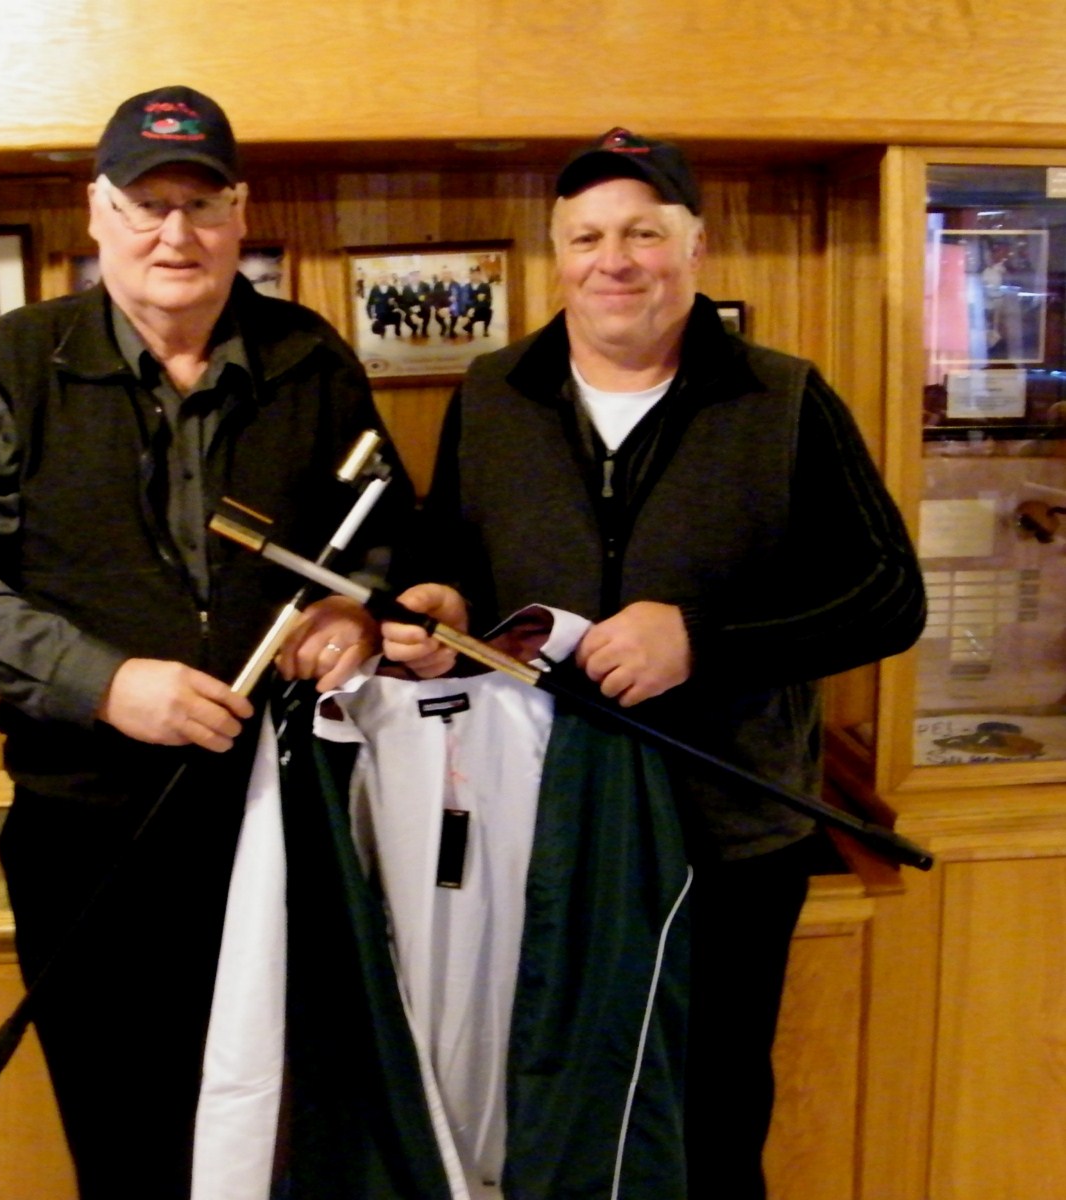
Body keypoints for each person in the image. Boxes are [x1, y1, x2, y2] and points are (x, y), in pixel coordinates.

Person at [0, 84, 408, 1199]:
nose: (175, 232)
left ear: (238, 214)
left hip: (282, 823)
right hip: (89, 834)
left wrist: (352, 613)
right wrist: (105, 683)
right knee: (126, 1139)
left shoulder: (309, 357)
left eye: (200, 203)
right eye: (145, 203)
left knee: (291, 1128)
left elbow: (385, 540)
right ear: (97, 214)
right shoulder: (18, 360)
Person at [382, 127, 927, 1199]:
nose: (612, 258)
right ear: (556, 256)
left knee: (713, 1117)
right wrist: (440, 601)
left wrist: (704, 643)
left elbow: (886, 598)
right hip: (537, 825)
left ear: (692, 248)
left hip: (729, 835)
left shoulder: (783, 398)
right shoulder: (491, 395)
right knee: (554, 1099)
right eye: (585, 235)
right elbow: (447, 555)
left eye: (642, 231)